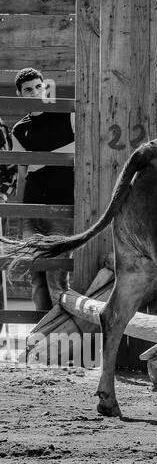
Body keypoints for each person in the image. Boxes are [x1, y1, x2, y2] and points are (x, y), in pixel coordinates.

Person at [8, 69, 73, 312]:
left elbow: (78, 151)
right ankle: (42, 335)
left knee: (57, 277)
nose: (35, 92)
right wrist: (19, 211)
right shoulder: (18, 129)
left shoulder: (65, 115)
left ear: (45, 87)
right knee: (36, 276)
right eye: (28, 89)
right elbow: (23, 172)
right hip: (31, 206)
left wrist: (39, 159)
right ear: (20, 94)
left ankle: (61, 336)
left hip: (60, 205)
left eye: (38, 87)